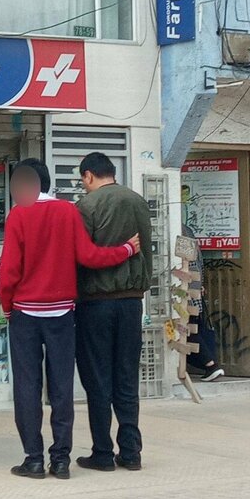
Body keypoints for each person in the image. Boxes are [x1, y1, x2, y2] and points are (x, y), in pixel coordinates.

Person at [0, 159, 140, 481]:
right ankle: (60, 460)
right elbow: (88, 256)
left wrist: (8, 307)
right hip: (62, 313)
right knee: (62, 388)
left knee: (27, 387)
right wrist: (126, 251)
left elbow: (8, 272)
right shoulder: (68, 212)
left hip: (25, 314)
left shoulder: (18, 215)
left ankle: (33, 459)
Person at [75, 152, 154, 474]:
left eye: (82, 179)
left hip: (96, 302)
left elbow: (81, 255)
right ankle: (132, 451)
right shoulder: (137, 201)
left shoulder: (86, 206)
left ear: (89, 176)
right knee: (126, 376)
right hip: (132, 302)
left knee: (97, 379)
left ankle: (103, 452)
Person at [182, 223, 224, 382]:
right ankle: (209, 365)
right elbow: (198, 262)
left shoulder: (179, 230)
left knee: (188, 330)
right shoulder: (187, 230)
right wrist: (199, 285)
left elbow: (189, 263)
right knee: (190, 329)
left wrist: (195, 286)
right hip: (193, 288)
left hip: (186, 290)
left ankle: (211, 365)